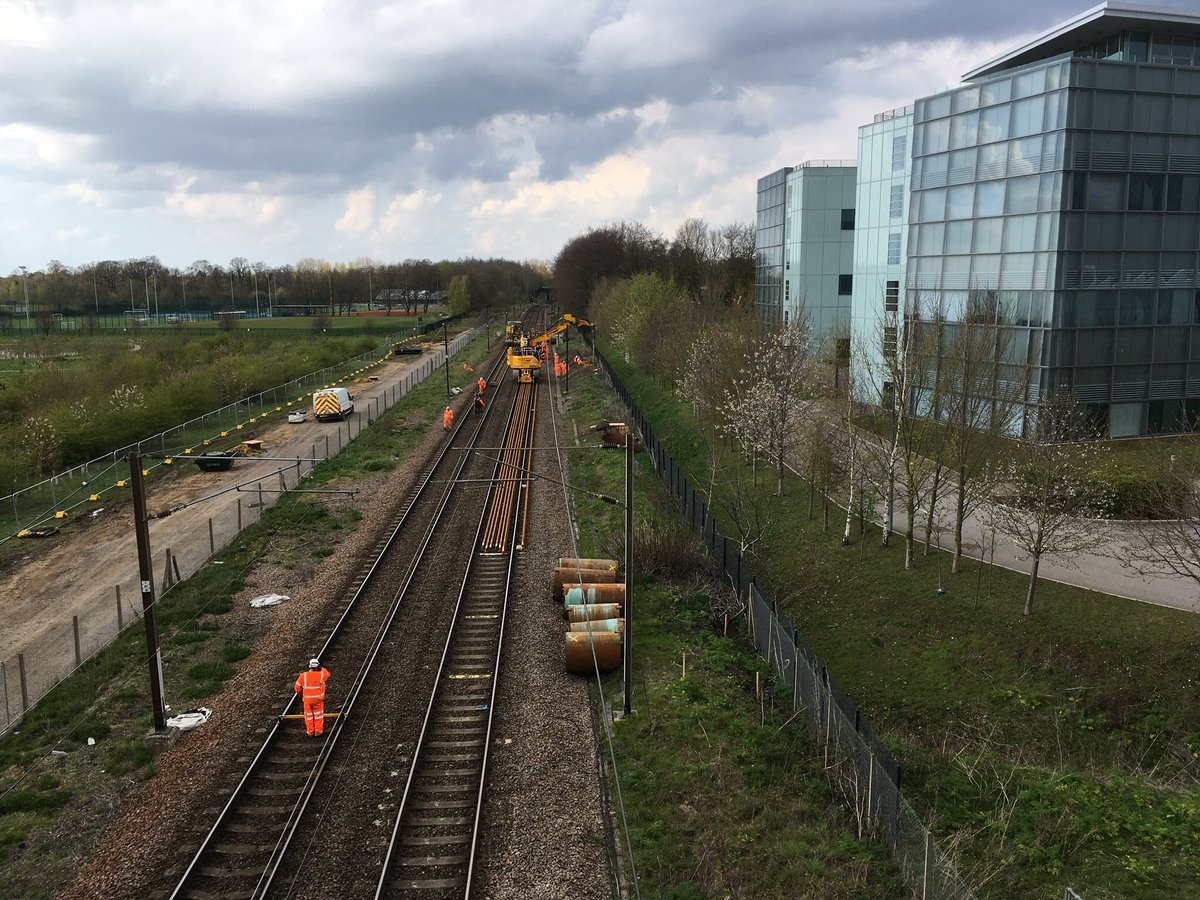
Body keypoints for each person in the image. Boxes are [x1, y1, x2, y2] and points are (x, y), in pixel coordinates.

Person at [294, 658, 331, 737]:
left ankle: (310, 732)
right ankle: (318, 731)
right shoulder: (321, 675)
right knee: (318, 715)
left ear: (309, 666)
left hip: (307, 700)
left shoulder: (303, 675)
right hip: (317, 700)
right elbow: (327, 674)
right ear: (317, 666)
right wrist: (321, 668)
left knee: (309, 716)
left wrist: (300, 694)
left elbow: (297, 687)